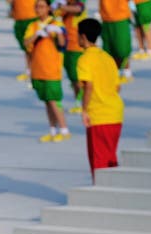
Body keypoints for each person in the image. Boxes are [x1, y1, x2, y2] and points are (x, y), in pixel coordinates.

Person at [76, 18, 124, 182]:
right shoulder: (107, 57)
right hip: (115, 113)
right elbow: (117, 87)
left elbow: (88, 86)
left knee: (99, 161)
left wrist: (84, 110)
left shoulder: (84, 59)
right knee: (110, 157)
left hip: (99, 114)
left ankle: (101, 195)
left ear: (83, 36)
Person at [24, 0, 70, 142]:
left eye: (42, 6)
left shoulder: (56, 24)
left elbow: (63, 44)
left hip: (51, 70)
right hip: (38, 69)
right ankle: (52, 129)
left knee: (54, 100)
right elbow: (26, 43)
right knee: (46, 101)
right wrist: (37, 34)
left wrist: (58, 32)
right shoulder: (33, 25)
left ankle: (64, 129)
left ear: (48, 8)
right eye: (37, 6)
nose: (39, 9)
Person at [52, 0, 88, 113]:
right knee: (72, 77)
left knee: (76, 76)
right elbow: (54, 13)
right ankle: (78, 100)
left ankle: (82, 102)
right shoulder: (65, 6)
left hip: (77, 47)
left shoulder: (79, 4)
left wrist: (61, 6)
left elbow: (78, 9)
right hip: (66, 46)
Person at [98, 0, 133, 81]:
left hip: (121, 16)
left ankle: (126, 70)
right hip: (106, 17)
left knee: (122, 47)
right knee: (108, 48)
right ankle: (113, 71)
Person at [10, 0, 39, 80]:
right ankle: (29, 70)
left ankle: (33, 70)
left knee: (32, 46)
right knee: (26, 47)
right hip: (19, 18)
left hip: (31, 17)